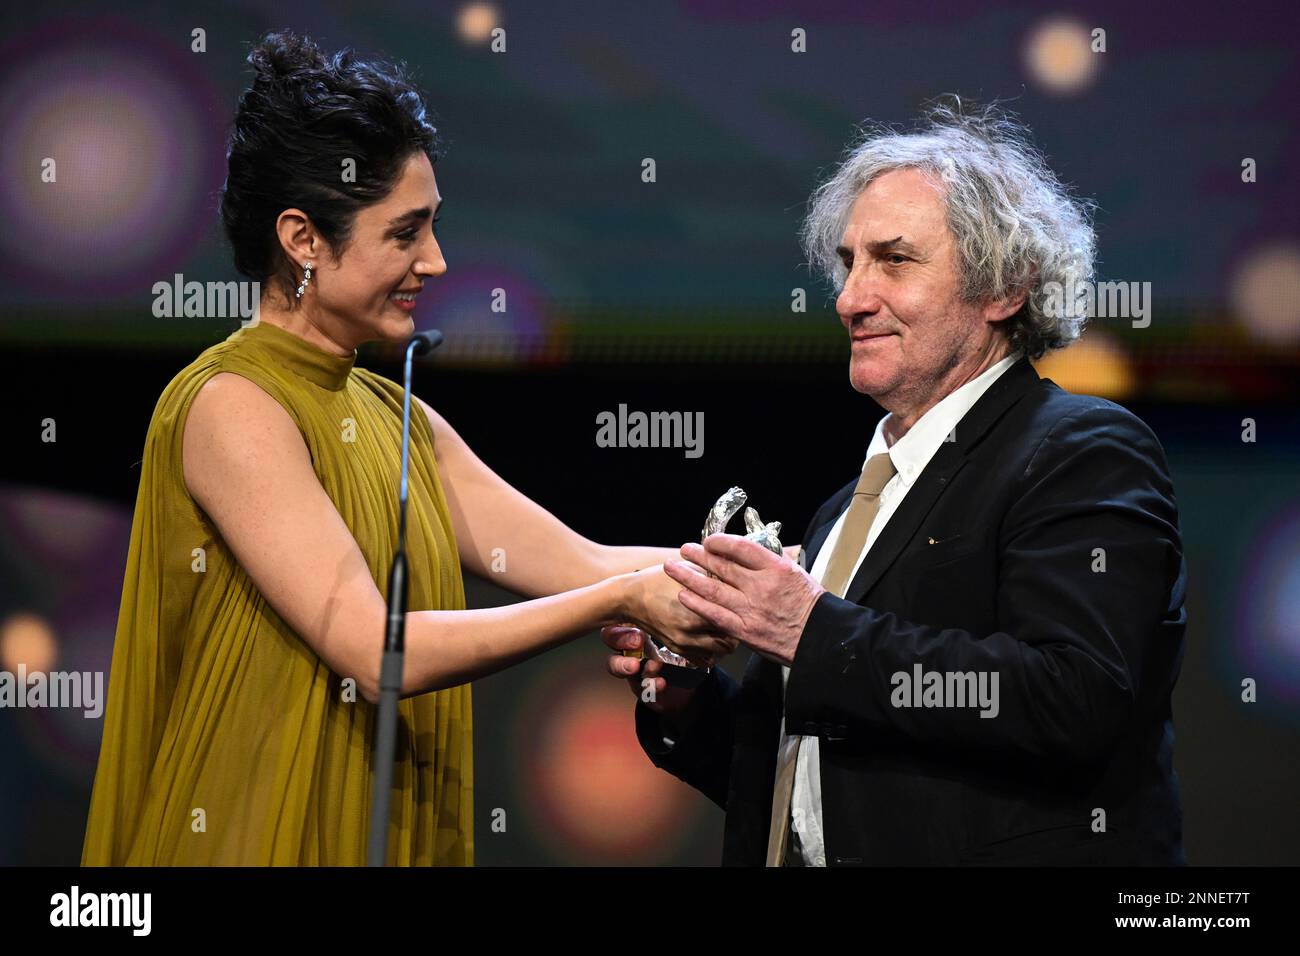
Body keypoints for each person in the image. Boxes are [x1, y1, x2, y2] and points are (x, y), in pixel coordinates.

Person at [81, 30, 717, 866]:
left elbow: (580, 561)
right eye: (405, 233)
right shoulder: (230, 405)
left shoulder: (400, 415)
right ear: (303, 239)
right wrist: (622, 602)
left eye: (434, 228)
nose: (436, 260)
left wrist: (758, 585)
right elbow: (372, 648)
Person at [606, 100, 1187, 866]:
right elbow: (808, 792)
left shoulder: (1082, 450)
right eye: (849, 263)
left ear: (1004, 287)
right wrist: (682, 695)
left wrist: (811, 632)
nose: (851, 298)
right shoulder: (839, 513)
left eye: (895, 260)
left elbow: (1073, 699)